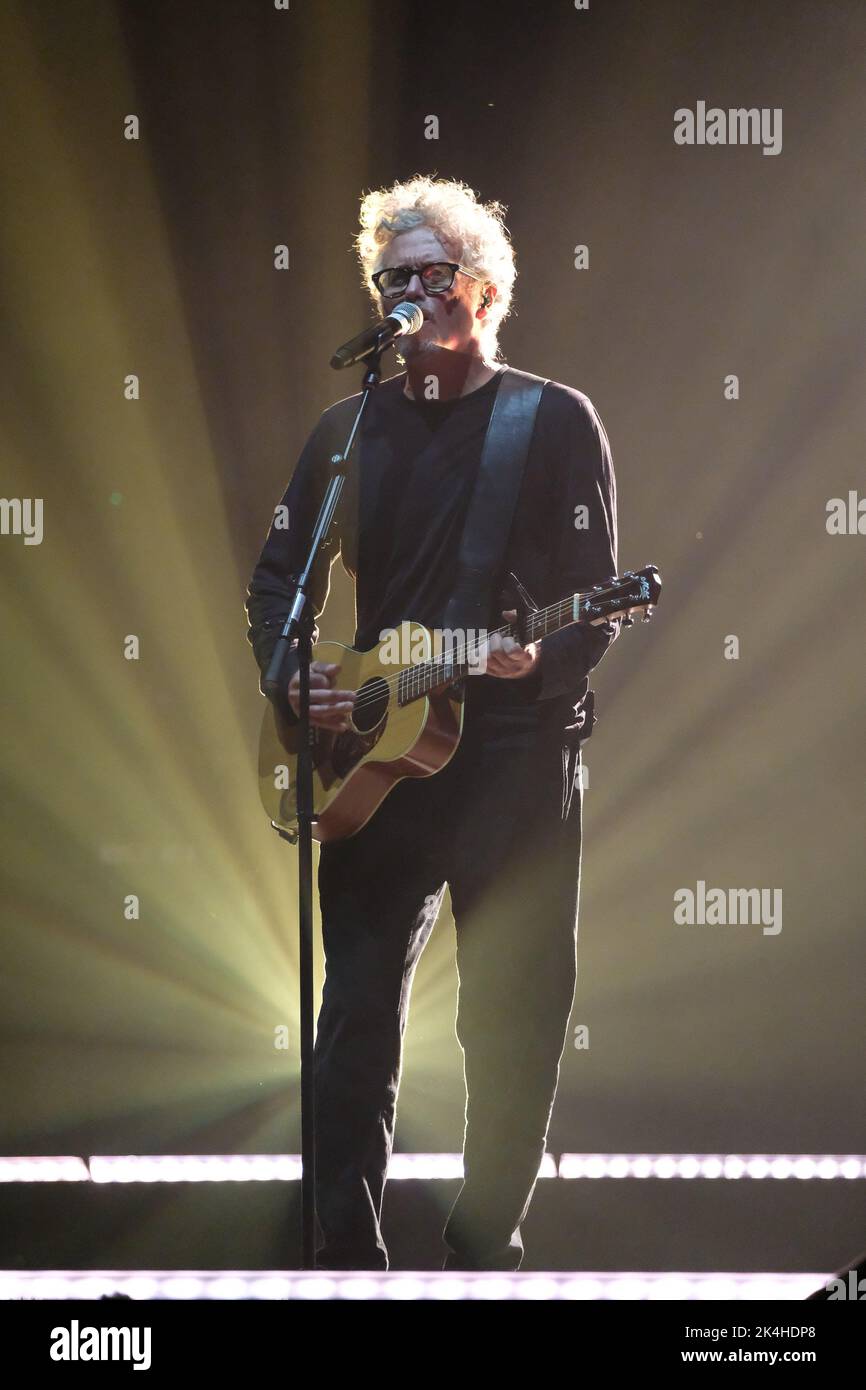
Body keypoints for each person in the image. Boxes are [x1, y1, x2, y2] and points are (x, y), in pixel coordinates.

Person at [245, 175, 619, 1271]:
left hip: (512, 757)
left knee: (512, 1017)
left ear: (483, 290)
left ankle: (481, 1248)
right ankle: (345, 1259)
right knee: (355, 1014)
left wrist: (541, 656)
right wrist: (296, 679)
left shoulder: (552, 419)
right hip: (371, 751)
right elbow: (280, 580)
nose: (405, 292)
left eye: (428, 273)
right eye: (389, 278)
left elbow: (598, 593)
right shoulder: (347, 430)